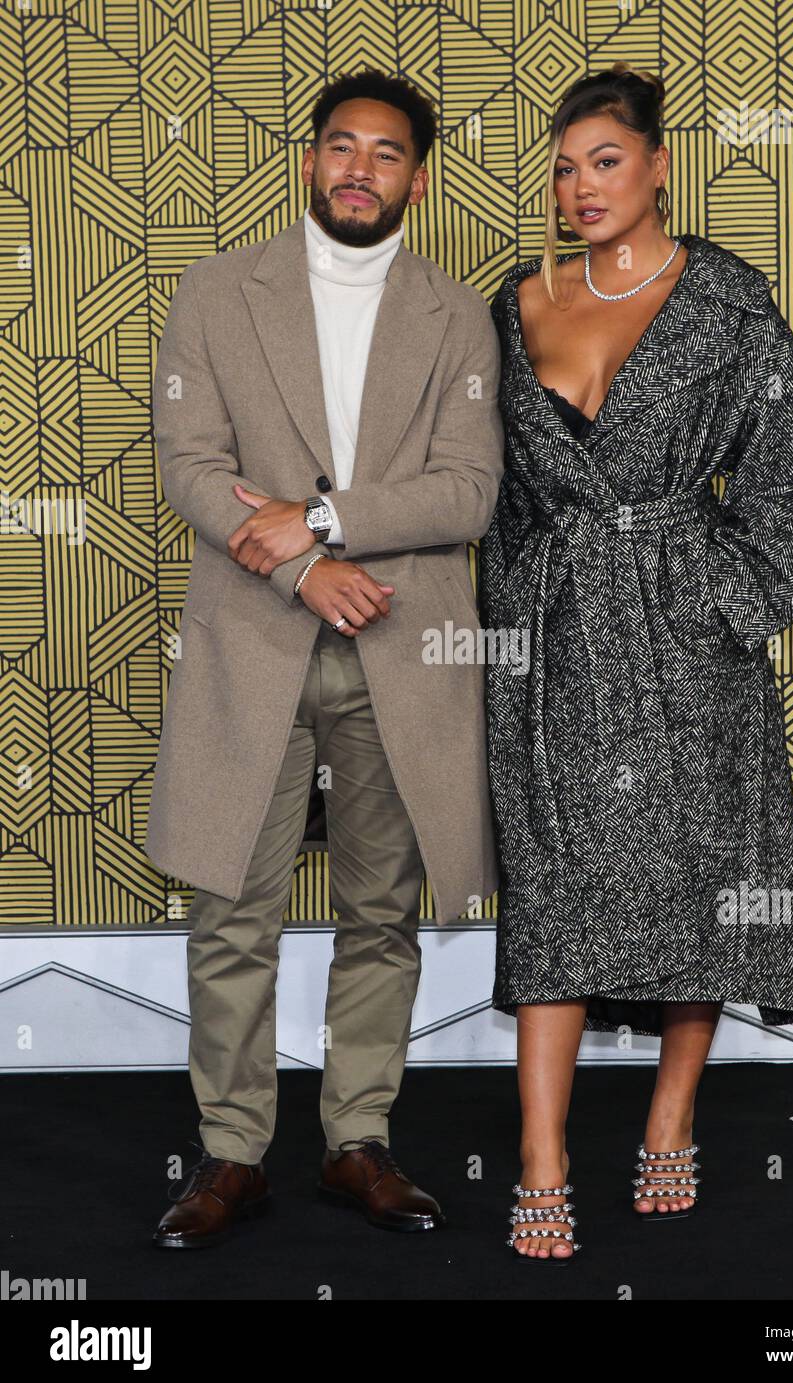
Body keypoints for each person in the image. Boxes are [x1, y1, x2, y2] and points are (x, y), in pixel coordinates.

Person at [145, 68, 504, 1248]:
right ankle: (231, 1152)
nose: (360, 168)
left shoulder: (456, 315)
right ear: (309, 160)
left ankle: (359, 1140)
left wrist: (325, 520)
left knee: (379, 911)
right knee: (230, 909)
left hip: (401, 642)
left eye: (386, 152)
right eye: (340, 146)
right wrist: (304, 567)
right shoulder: (214, 292)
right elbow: (190, 466)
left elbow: (469, 489)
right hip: (255, 639)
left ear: (418, 175)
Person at [478, 63, 793, 1261]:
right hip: (558, 641)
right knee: (558, 886)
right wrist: (513, 616)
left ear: (660, 166)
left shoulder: (728, 300)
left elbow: (783, 474)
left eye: (606, 161)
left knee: (696, 872)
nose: (580, 186)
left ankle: (671, 1116)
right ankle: (541, 1153)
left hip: (691, 638)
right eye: (565, 167)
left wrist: (724, 600)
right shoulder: (514, 303)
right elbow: (499, 494)